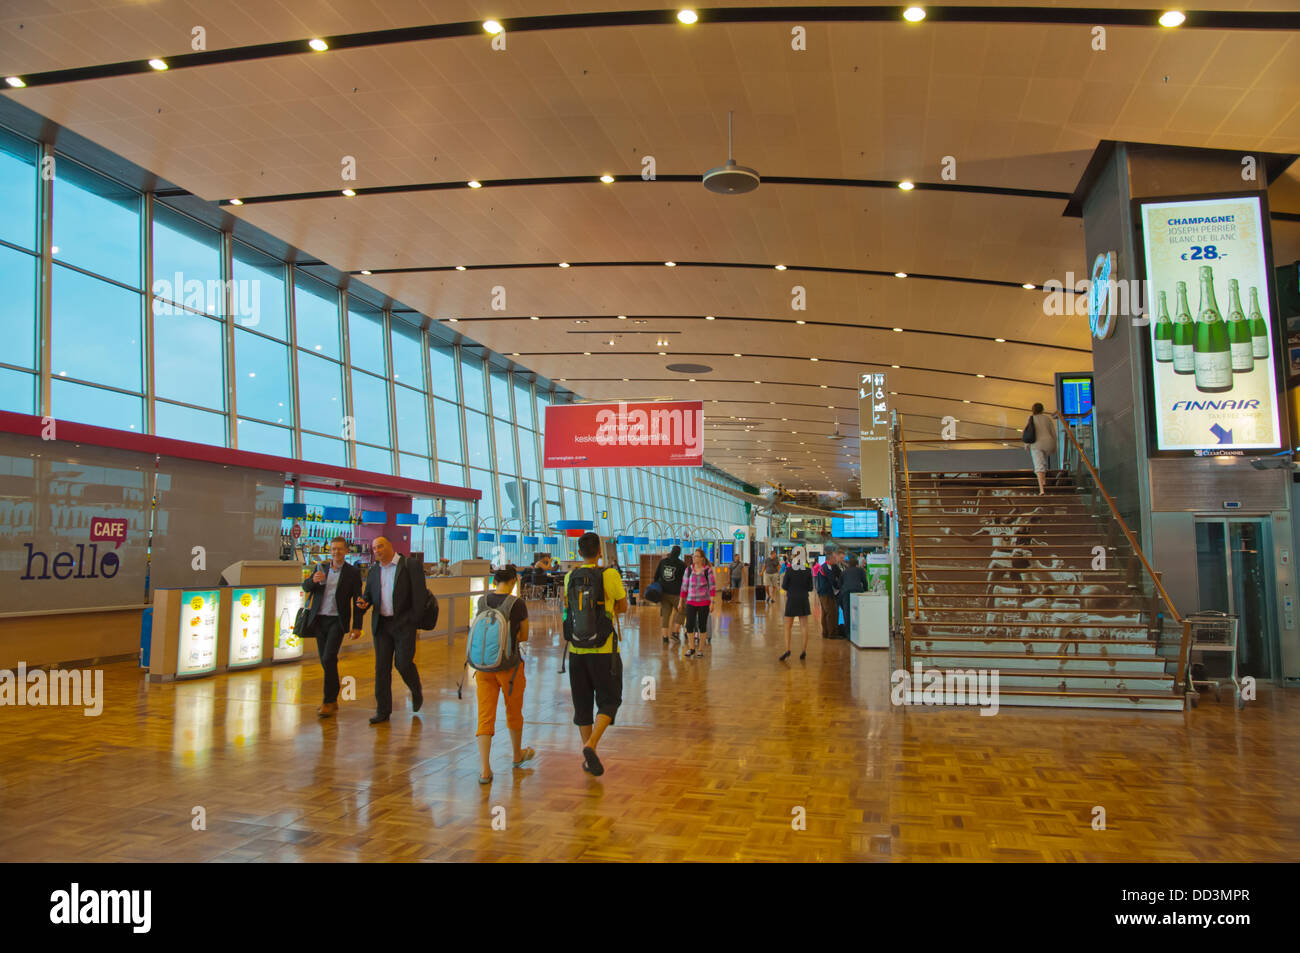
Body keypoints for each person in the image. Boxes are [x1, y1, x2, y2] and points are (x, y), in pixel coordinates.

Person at [562, 532, 627, 777]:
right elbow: (622, 605)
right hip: (604, 649)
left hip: (577, 650)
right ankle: (591, 745)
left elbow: (567, 609)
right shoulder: (609, 575)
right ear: (600, 551)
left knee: (582, 704)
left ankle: (588, 754)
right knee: (610, 699)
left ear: (579, 553)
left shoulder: (570, 576)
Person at [355, 536, 427, 725]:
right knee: (381, 668)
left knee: (403, 664)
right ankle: (383, 710)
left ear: (390, 546)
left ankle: (415, 688)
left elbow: (420, 596)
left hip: (404, 624)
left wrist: (412, 620)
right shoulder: (373, 571)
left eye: (380, 546)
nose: (377, 550)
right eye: (374, 548)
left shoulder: (409, 566)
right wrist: (364, 602)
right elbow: (369, 595)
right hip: (382, 625)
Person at [474, 565, 535, 784]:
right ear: (513, 581)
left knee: (485, 715)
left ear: (494, 581)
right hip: (509, 666)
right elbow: (525, 636)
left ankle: (484, 769)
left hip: (483, 667)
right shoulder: (517, 604)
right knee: (513, 710)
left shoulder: (482, 602)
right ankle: (517, 755)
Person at [300, 535, 365, 717]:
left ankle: (328, 701)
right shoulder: (321, 568)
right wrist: (313, 580)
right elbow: (305, 587)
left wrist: (357, 626)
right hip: (319, 620)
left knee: (329, 657)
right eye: (333, 549)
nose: (336, 552)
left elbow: (357, 601)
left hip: (337, 621)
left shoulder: (352, 573)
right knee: (325, 660)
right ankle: (333, 698)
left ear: (346, 551)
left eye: (339, 549)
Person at [779, 546, 814, 661]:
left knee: (788, 626)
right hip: (803, 598)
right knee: (804, 626)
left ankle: (787, 649)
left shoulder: (789, 570)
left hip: (792, 599)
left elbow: (784, 586)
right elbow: (810, 588)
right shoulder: (808, 570)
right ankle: (804, 650)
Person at [681, 548, 717, 658]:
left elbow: (712, 587)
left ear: (702, 558)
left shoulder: (707, 570)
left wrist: (712, 602)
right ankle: (691, 648)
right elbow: (684, 586)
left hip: (704, 602)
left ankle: (701, 649)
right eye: (693, 556)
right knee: (689, 625)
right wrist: (680, 601)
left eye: (696, 556)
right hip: (691, 601)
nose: (694, 558)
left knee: (702, 626)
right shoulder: (688, 570)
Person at [651, 545, 686, 645]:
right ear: (679, 553)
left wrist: (659, 587)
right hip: (676, 594)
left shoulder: (663, 562)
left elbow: (656, 576)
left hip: (664, 593)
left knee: (665, 615)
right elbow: (685, 580)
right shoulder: (681, 564)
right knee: (683, 610)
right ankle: (675, 632)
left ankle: (665, 638)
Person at [1024, 402, 1058, 495]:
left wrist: (1026, 444)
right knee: (1042, 462)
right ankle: (1043, 481)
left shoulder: (1031, 418)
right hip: (1048, 443)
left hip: (1036, 444)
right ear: (1042, 409)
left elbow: (1028, 431)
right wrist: (1055, 445)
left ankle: (1041, 489)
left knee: (1038, 466)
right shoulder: (1047, 418)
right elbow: (1053, 433)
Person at [815, 548, 844, 639]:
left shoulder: (824, 566)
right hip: (826, 593)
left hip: (822, 593)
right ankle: (832, 633)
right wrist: (839, 586)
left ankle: (826, 632)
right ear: (830, 559)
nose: (836, 560)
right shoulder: (827, 568)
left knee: (825, 613)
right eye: (835, 558)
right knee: (832, 612)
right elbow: (833, 581)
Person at [838, 554, 869, 637]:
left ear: (848, 565)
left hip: (846, 592)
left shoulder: (844, 572)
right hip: (857, 592)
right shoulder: (860, 570)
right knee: (858, 611)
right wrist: (866, 591)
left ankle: (848, 633)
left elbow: (840, 584)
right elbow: (864, 582)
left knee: (846, 611)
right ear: (857, 564)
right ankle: (858, 631)